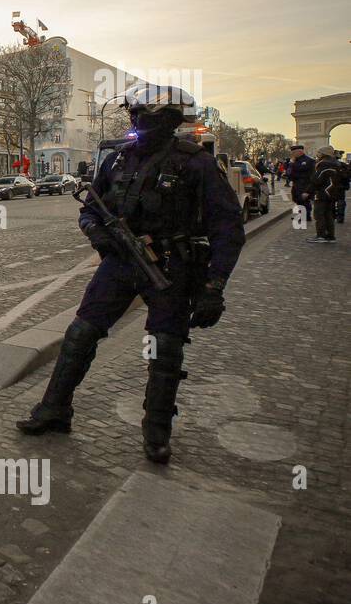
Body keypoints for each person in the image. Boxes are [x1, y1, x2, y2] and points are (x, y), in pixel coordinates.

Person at [16, 84, 245, 464]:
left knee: (164, 349)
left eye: (145, 117)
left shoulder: (195, 163)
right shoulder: (119, 160)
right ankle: (54, 410)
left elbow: (228, 227)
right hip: (121, 263)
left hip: (172, 266)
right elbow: (91, 208)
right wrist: (97, 233)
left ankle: (157, 431)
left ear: (169, 121)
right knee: (80, 334)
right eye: (134, 116)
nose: (137, 123)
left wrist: (214, 286)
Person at [309, 145, 342, 243]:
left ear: (323, 153)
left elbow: (317, 180)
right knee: (328, 214)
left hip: (322, 192)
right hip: (332, 192)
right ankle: (330, 236)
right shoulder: (336, 163)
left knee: (319, 215)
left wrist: (311, 179)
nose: (317, 154)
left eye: (319, 152)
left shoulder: (323, 164)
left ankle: (321, 236)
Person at [285, 144, 315, 223]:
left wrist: (308, 190)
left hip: (305, 184)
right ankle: (303, 215)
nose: (293, 154)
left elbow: (312, 175)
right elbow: (288, 173)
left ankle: (305, 216)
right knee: (297, 199)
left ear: (300, 152)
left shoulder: (309, 161)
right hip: (296, 184)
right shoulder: (293, 161)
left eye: (294, 152)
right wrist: (290, 164)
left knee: (304, 200)